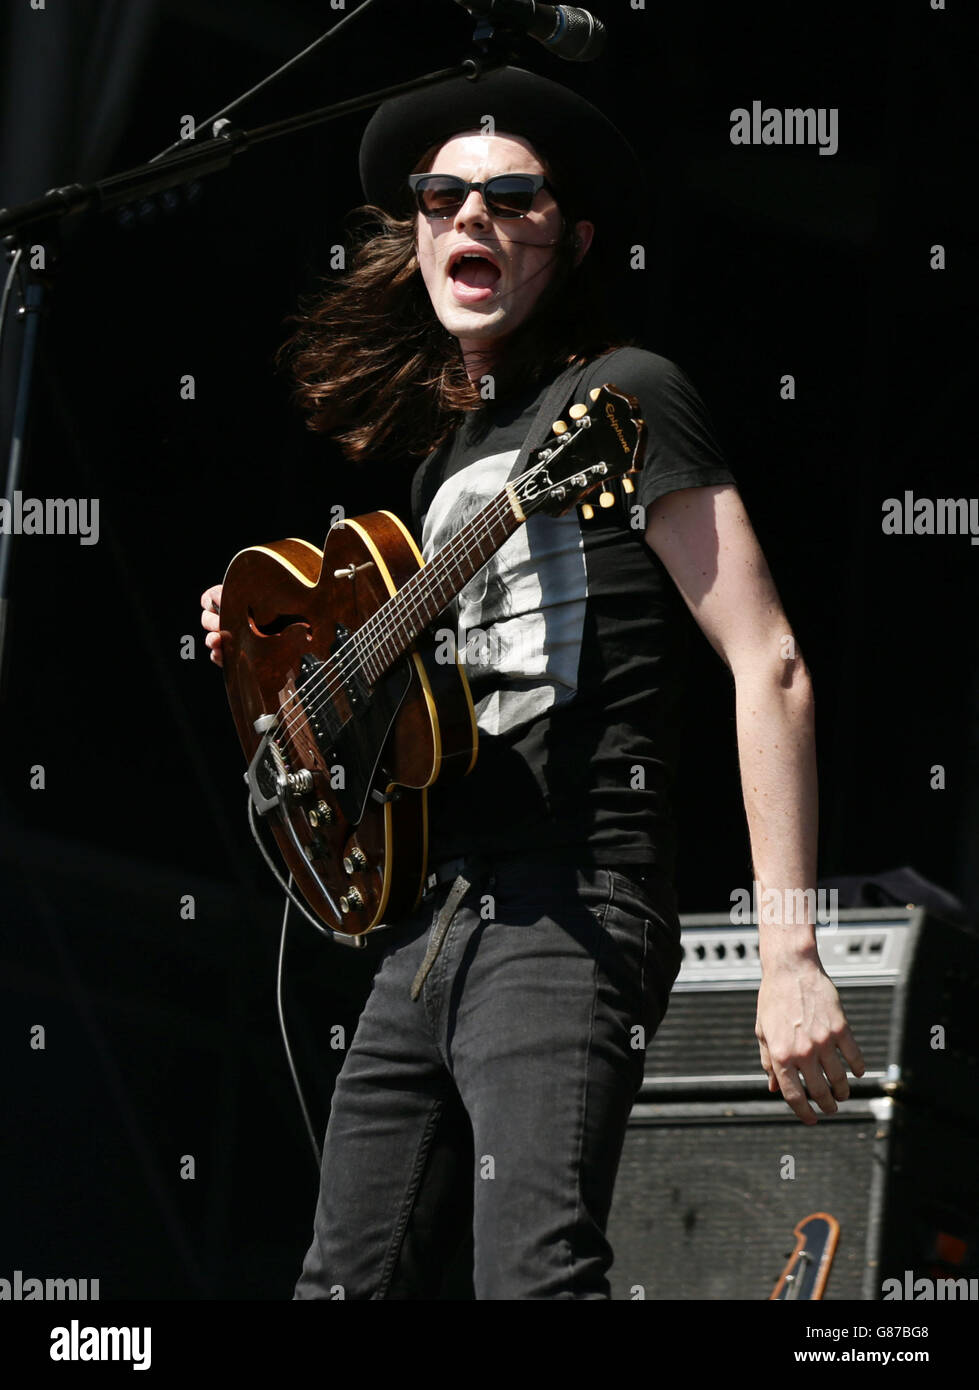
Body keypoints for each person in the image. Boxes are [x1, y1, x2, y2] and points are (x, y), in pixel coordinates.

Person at [200, 67, 865, 1300]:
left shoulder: (622, 396)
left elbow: (767, 663)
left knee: (532, 1272)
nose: (472, 216)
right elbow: (413, 730)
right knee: (343, 1280)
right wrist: (284, 661)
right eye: (443, 194)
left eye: (512, 197)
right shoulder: (443, 460)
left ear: (571, 239)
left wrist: (789, 955)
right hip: (425, 918)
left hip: (570, 900)